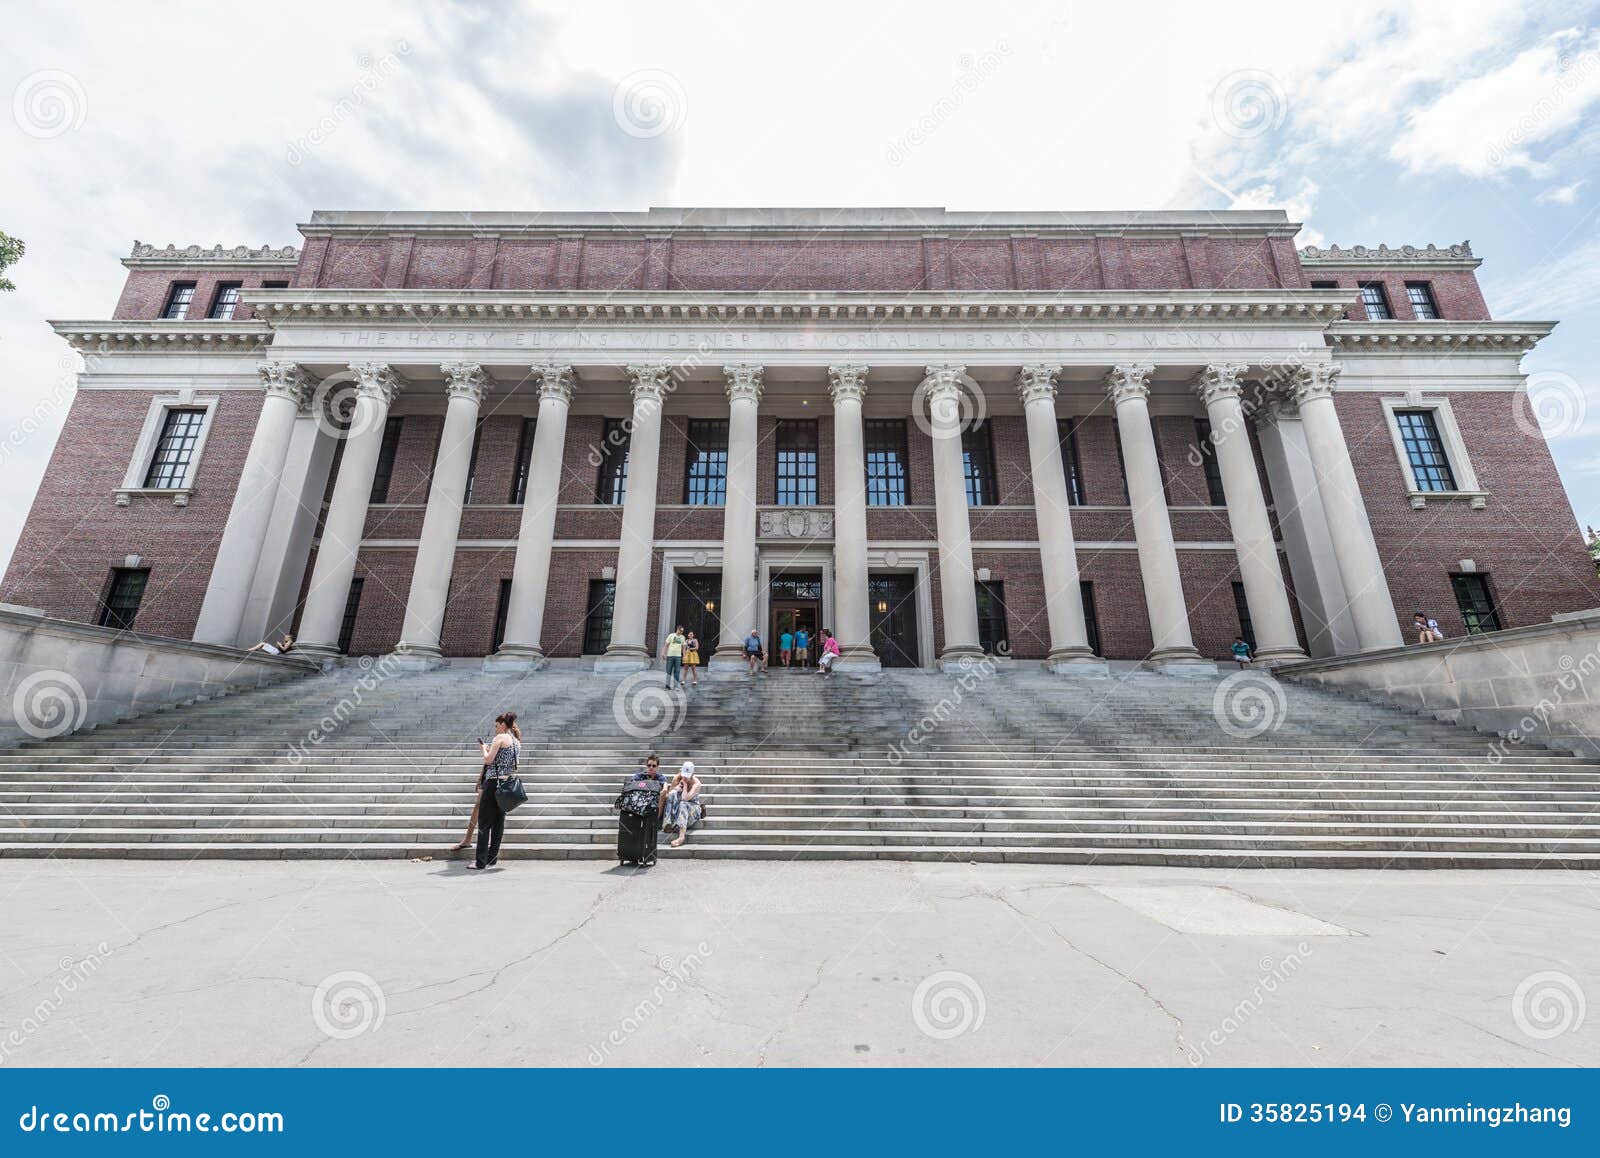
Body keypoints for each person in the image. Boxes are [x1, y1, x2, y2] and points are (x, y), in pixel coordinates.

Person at [471, 712, 521, 871]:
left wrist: (483, 749)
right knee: (499, 823)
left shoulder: (499, 738)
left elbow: (488, 760)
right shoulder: (516, 741)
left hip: (493, 784)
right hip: (507, 784)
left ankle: (480, 862)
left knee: (484, 823)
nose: (495, 728)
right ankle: (492, 858)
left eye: (497, 725)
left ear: (503, 724)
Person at [614, 755, 665, 866]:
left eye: (654, 766)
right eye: (649, 765)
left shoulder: (660, 778)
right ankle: (630, 853)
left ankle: (657, 822)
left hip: (651, 809)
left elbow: (665, 788)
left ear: (658, 767)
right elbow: (631, 783)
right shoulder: (639, 776)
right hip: (636, 808)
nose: (651, 768)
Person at [661, 760, 704, 848]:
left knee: (683, 804)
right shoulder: (677, 778)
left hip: (693, 808)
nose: (685, 777)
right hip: (680, 809)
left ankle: (681, 837)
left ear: (692, 774)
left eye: (687, 776)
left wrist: (684, 787)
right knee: (672, 794)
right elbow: (669, 796)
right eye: (683, 774)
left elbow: (685, 799)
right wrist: (675, 789)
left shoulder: (696, 784)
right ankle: (667, 823)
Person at [663, 625, 687, 689]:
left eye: (682, 631)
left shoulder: (683, 637)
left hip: (678, 656)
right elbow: (666, 645)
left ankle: (675, 686)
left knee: (677, 671)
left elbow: (684, 648)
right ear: (678, 629)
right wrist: (663, 653)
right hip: (670, 655)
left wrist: (684, 656)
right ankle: (667, 685)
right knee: (668, 671)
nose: (681, 632)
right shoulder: (671, 635)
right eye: (681, 630)